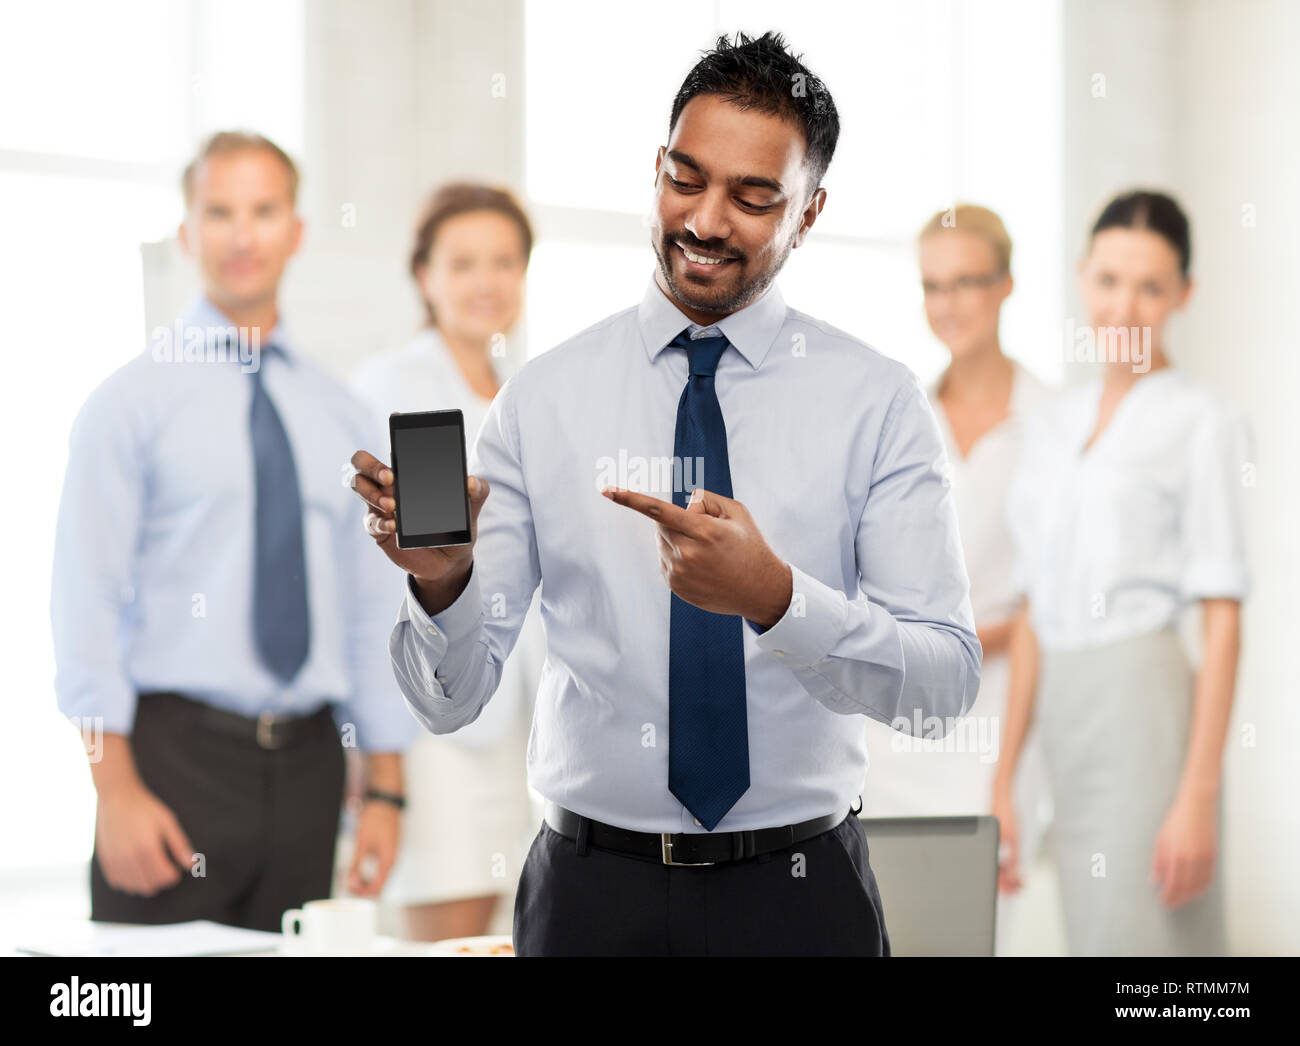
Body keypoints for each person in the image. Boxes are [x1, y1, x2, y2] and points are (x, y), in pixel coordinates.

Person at [352, 31, 982, 957]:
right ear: (657, 170)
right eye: (685, 179)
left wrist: (777, 601)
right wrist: (442, 586)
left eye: (754, 196)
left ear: (807, 213)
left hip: (801, 896)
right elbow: (451, 700)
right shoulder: (543, 399)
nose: (707, 220)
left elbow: (944, 683)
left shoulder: (875, 401)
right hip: (589, 897)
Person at [51, 131, 418, 933]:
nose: (242, 235)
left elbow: (367, 609)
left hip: (312, 770)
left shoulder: (343, 416)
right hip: (173, 764)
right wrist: (112, 792)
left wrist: (385, 789)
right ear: (187, 232)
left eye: (263, 210)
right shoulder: (130, 403)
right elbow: (85, 606)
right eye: (219, 211)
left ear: (296, 230)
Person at [996, 190, 1251, 956]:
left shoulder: (1203, 422)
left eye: (1151, 286)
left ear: (1183, 295)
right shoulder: (1051, 426)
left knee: (1149, 949)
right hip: (1065, 720)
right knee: (1094, 935)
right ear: (1082, 278)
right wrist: (1005, 778)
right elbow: (1037, 608)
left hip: (1147, 713)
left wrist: (1198, 795)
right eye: (1109, 280)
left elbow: (1224, 614)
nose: (1125, 306)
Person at [860, 204, 1053, 956]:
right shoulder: (898, 416)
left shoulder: (1052, 420)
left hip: (1000, 717)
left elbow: (1045, 606)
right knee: (892, 929)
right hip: (898, 724)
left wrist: (1005, 776)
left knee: (978, 929)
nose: (949, 304)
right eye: (933, 285)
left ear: (1006, 284)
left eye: (968, 281)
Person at [352, 183, 544, 941]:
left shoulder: (525, 390)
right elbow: (370, 581)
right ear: (424, 276)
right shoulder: (390, 387)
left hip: (523, 717)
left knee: (510, 934)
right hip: (435, 730)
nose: (487, 281)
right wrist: (379, 770)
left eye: (504, 261)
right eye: (462, 262)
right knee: (450, 935)